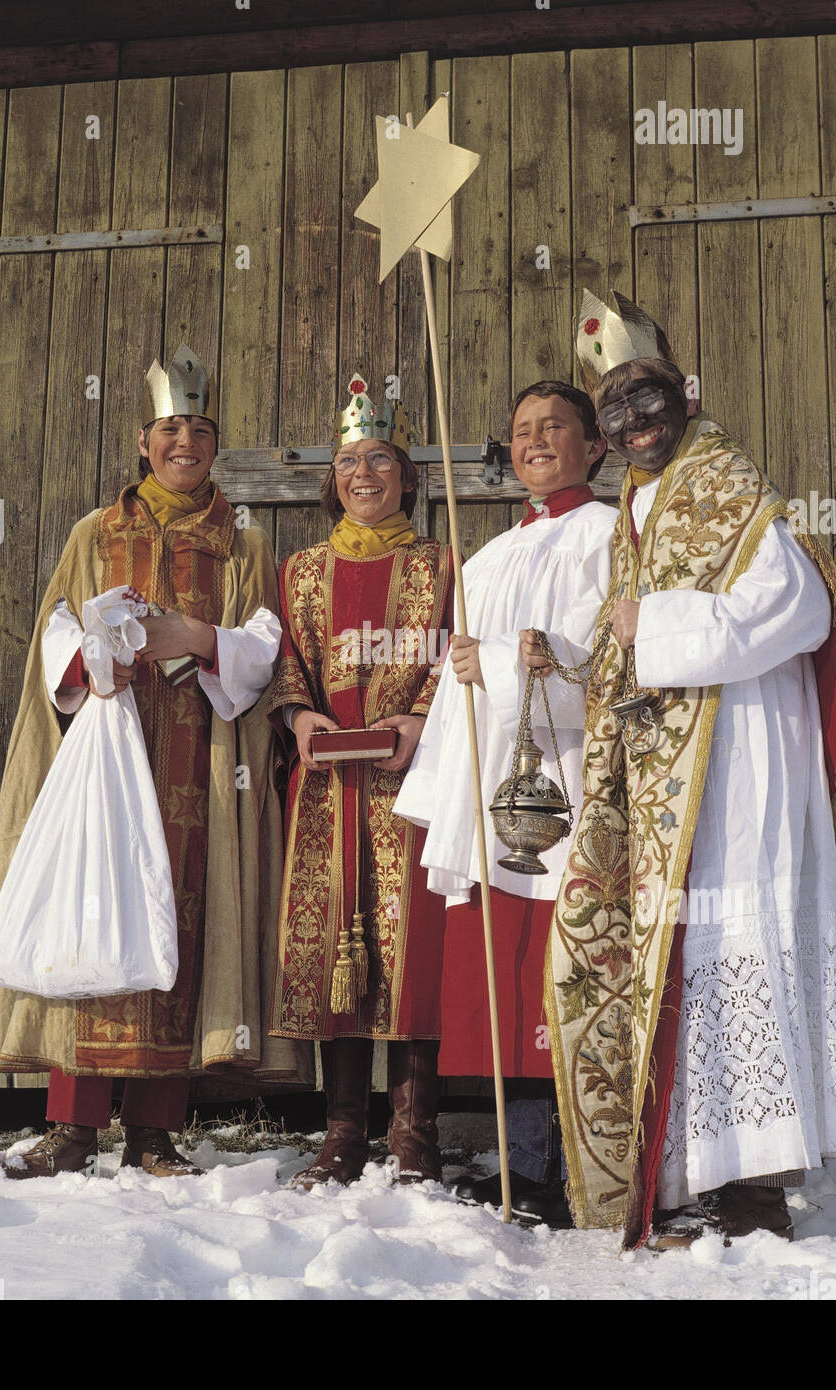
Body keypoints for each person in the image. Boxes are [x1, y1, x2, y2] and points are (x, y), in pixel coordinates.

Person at [543, 289, 836, 1247]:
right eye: (615, 409)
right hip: (667, 772)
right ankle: (685, 1173)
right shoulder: (636, 508)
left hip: (743, 760)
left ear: (685, 390)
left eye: (647, 397)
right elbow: (623, 641)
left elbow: (799, 610)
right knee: (678, 960)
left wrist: (662, 628)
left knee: (743, 948)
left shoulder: (727, 485)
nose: (636, 421)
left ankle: (758, 1189)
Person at [0, 343, 310, 1178]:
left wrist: (200, 639)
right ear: (144, 442)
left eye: (197, 429)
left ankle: (154, 1131)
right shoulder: (96, 531)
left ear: (214, 443)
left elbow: (265, 645)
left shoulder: (242, 540)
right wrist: (88, 663)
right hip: (104, 758)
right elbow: (52, 628)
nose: (182, 442)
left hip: (198, 764)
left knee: (178, 922)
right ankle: (74, 1127)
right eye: (168, 429)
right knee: (87, 908)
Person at [394, 380, 617, 1225]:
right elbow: (462, 689)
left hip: (570, 783)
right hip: (492, 794)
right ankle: (521, 1164)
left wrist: (541, 659)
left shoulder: (607, 538)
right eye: (521, 431)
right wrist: (464, 690)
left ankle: (582, 1167)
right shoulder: (482, 558)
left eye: (553, 427)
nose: (533, 441)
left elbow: (610, 661)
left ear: (593, 445)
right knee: (505, 983)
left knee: (565, 973)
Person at [266, 375, 453, 1188]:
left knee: (415, 953)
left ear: (406, 473)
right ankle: (342, 1133)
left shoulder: (445, 567)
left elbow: (460, 663)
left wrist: (421, 722)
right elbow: (283, 669)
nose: (364, 474)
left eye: (380, 458)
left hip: (411, 786)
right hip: (325, 792)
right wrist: (300, 719)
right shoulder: (300, 572)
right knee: (337, 949)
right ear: (332, 477)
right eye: (350, 462)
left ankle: (414, 1138)